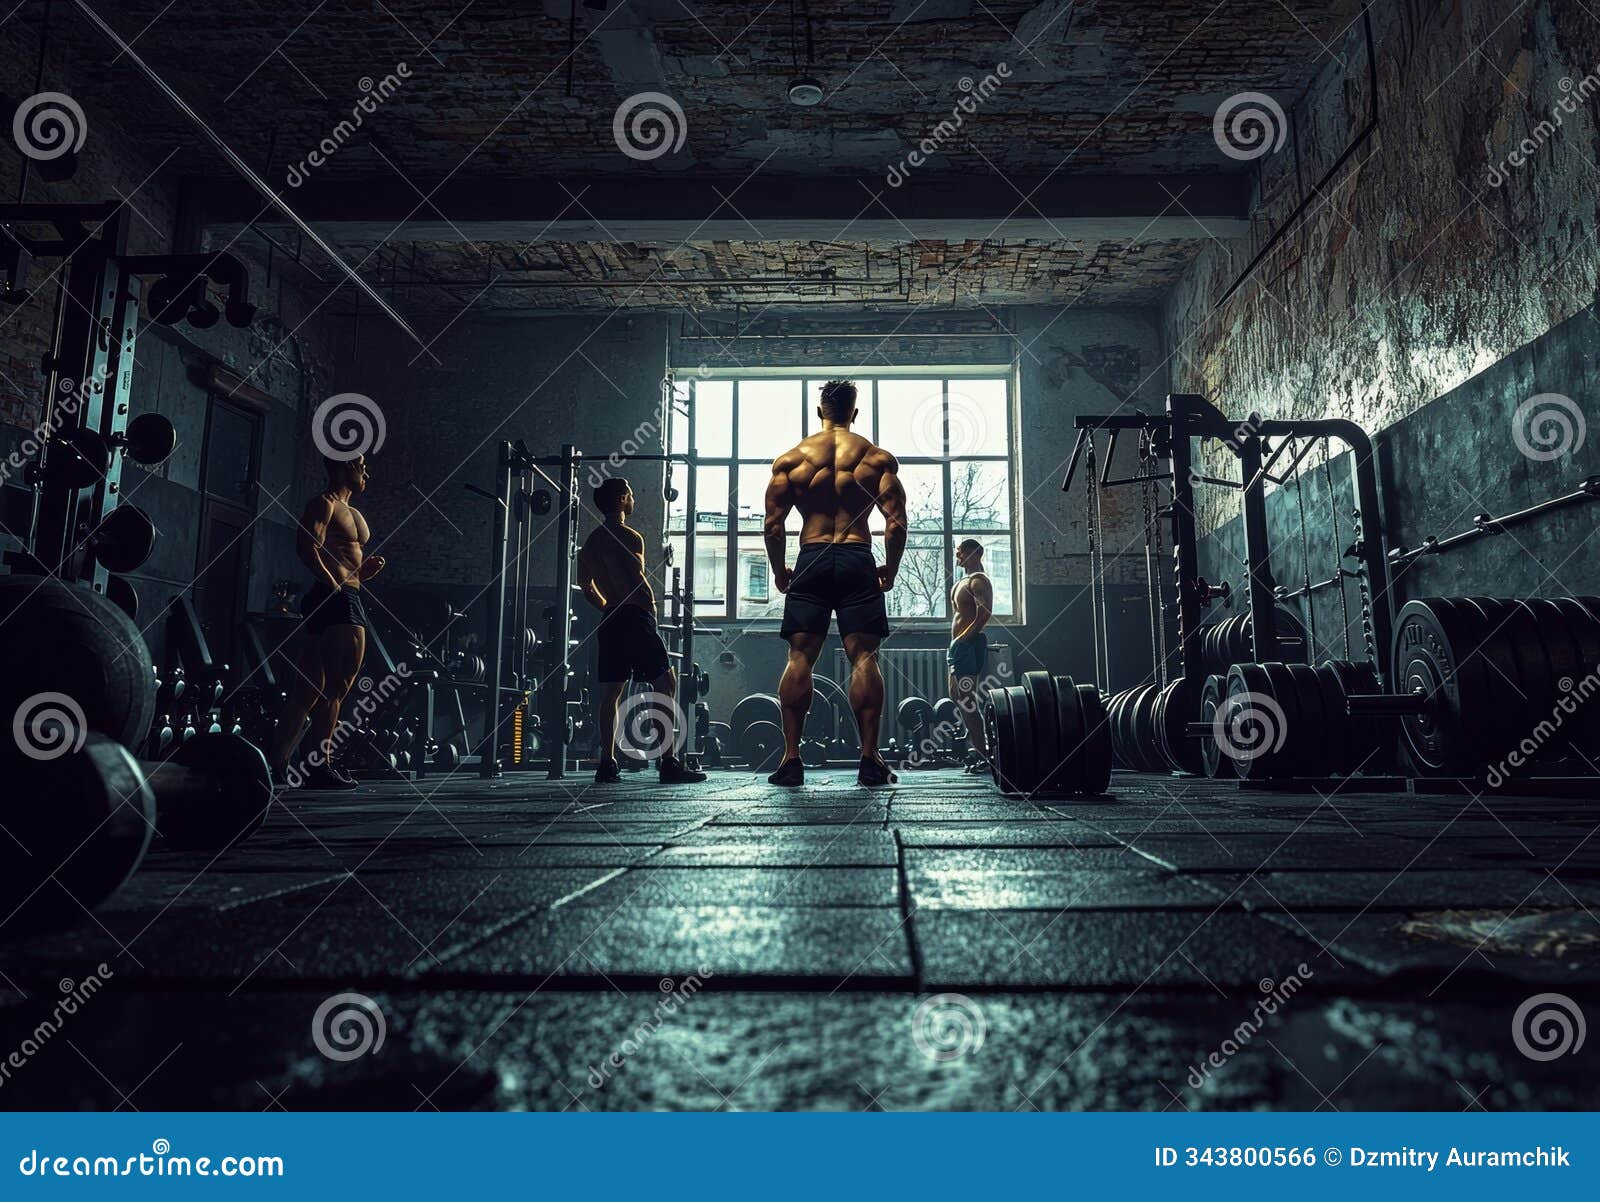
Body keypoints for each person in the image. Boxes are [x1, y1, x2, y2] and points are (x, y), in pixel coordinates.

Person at [763, 379, 908, 787]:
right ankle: (869, 759)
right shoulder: (876, 458)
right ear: (854, 413)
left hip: (810, 558)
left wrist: (778, 570)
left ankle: (791, 760)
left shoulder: (791, 460)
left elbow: (773, 526)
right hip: (856, 557)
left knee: (799, 657)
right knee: (864, 658)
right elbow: (896, 524)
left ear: (819, 412)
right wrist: (891, 568)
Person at [576, 477, 706, 785]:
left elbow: (586, 586)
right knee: (665, 683)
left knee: (610, 694)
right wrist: (649, 611)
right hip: (636, 616)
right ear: (622, 499)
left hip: (610, 619)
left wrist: (609, 606)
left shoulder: (589, 544)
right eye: (631, 495)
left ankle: (607, 764)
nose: (634, 499)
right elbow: (636, 578)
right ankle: (669, 763)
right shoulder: (630, 537)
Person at [268, 453, 385, 790]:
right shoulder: (324, 504)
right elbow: (307, 547)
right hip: (338, 598)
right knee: (337, 688)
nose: (366, 473)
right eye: (361, 466)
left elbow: (343, 562)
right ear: (346, 467)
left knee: (308, 690)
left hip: (340, 594)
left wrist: (362, 573)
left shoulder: (351, 511)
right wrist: (335, 585)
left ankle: (276, 765)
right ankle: (318, 766)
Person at [948, 538, 995, 771]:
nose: (957, 556)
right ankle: (977, 748)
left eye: (961, 553)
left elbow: (984, 613)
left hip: (967, 646)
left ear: (975, 554)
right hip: (957, 647)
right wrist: (956, 642)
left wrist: (963, 639)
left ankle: (983, 755)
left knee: (967, 701)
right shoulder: (961, 582)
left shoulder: (979, 581)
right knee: (957, 696)